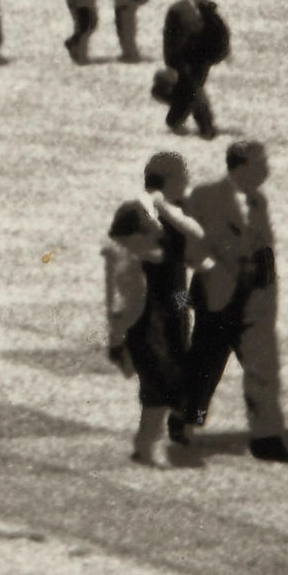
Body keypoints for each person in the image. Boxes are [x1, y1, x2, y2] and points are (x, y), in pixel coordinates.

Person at [175, 137, 288, 463]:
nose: (267, 171)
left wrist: (266, 291)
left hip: (253, 300)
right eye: (261, 165)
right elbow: (188, 241)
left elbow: (263, 249)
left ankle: (267, 438)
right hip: (217, 298)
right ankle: (185, 419)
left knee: (262, 368)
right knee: (205, 367)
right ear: (240, 166)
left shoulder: (258, 201)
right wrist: (208, 267)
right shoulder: (204, 196)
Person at [103, 153, 208, 469]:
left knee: (175, 370)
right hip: (145, 306)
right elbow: (114, 257)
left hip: (175, 303)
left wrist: (168, 212)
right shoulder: (133, 211)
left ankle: (146, 440)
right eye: (183, 178)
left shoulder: (180, 210)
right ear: (169, 180)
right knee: (159, 374)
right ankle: (149, 444)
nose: (187, 183)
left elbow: (197, 241)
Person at [156, 0, 230, 138]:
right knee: (194, 91)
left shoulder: (208, 10)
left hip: (200, 61)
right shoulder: (177, 10)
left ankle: (177, 120)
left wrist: (222, 53)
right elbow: (169, 37)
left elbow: (217, 32)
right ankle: (205, 126)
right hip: (182, 61)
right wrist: (171, 60)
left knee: (191, 91)